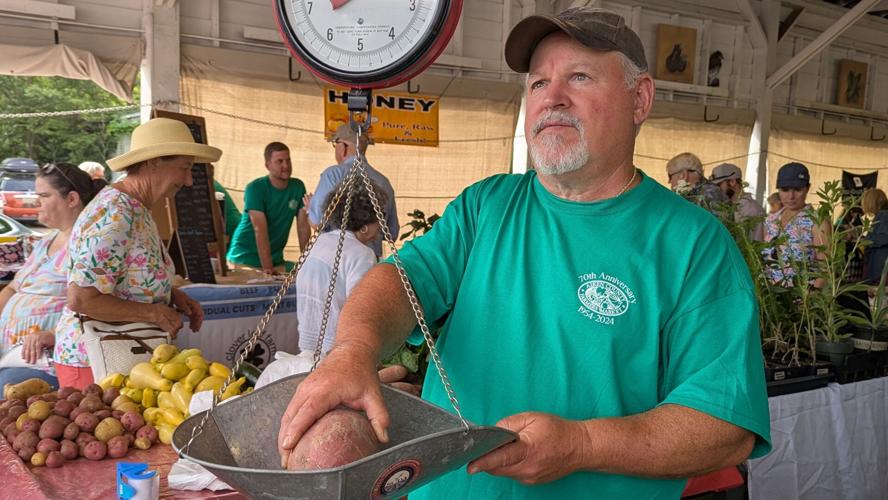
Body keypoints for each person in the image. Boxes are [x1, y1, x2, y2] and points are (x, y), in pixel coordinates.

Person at [278, 8, 771, 499]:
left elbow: (724, 425)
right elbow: (401, 280)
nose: (552, 99)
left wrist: (582, 445)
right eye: (538, 84)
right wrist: (351, 353)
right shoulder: (487, 205)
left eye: (579, 77)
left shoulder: (693, 244)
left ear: (639, 99)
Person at [53, 118, 215, 389]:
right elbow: (81, 299)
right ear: (153, 162)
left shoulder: (135, 207)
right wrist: (154, 313)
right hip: (91, 362)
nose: (188, 181)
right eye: (185, 168)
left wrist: (171, 294)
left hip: (119, 356)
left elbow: (124, 275)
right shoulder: (116, 213)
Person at [0, 163, 102, 388]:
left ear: (72, 199)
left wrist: (53, 334)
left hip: (47, 361)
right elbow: (12, 288)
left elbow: (97, 303)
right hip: (10, 355)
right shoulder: (46, 241)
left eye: (44, 196)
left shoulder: (89, 245)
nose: (37, 202)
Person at [296, 185, 386, 357]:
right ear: (365, 226)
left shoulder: (318, 241)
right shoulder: (362, 254)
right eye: (378, 220)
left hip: (306, 343)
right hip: (335, 348)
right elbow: (360, 307)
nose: (381, 227)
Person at [308, 125, 398, 259]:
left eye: (335, 144)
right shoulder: (384, 182)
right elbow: (392, 233)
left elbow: (318, 223)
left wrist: (309, 208)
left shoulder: (334, 175)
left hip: (336, 260)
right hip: (371, 262)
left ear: (344, 147)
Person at [227, 142, 310, 274]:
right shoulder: (255, 188)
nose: (286, 165)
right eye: (280, 161)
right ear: (268, 165)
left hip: (275, 261)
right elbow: (259, 229)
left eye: (288, 160)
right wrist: (268, 268)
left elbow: (303, 226)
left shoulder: (298, 186)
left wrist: (308, 262)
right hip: (243, 259)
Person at [762, 162, 829, 287]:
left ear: (808, 188)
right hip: (770, 297)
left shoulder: (816, 221)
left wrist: (810, 299)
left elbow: (826, 268)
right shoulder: (771, 220)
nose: (791, 196)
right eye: (785, 190)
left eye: (798, 189)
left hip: (801, 299)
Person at [710, 162, 766, 241]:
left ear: (732, 182)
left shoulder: (751, 209)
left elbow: (755, 245)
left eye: (719, 185)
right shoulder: (730, 206)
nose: (717, 189)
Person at [862, 188, 888, 283]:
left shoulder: (884, 215)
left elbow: (884, 238)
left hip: (879, 269)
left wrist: (865, 240)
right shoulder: (882, 215)